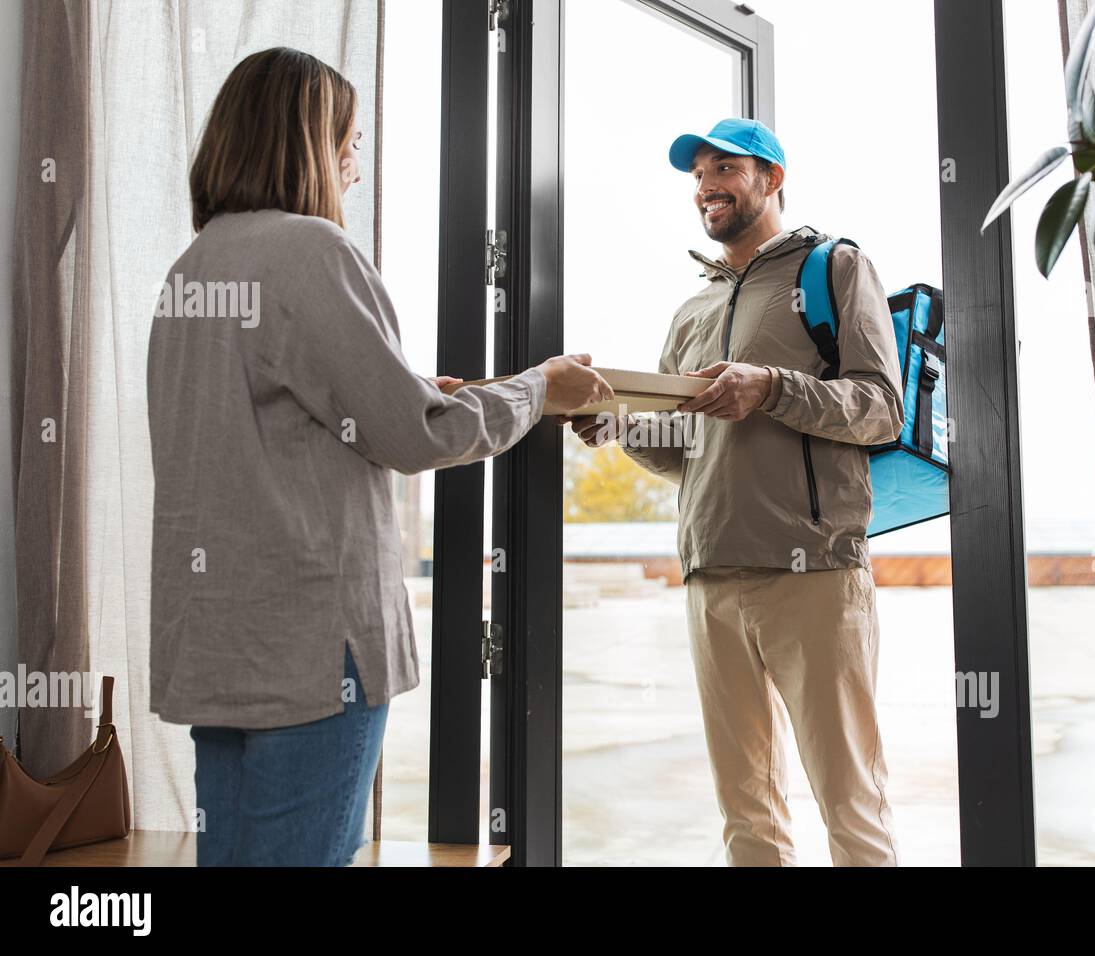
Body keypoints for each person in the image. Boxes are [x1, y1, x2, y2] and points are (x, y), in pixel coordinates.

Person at [147, 47, 611, 866]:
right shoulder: (312, 253)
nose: (354, 170)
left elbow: (260, 420)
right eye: (348, 144)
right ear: (304, 146)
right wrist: (540, 387)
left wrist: (393, 388)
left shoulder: (192, 270)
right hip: (312, 652)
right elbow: (419, 436)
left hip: (217, 645)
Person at [566, 118, 905, 866]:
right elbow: (688, 452)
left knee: (850, 805)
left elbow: (883, 409)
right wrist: (617, 425)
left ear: (771, 179)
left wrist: (771, 388)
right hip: (711, 577)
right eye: (696, 176)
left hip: (813, 575)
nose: (706, 188)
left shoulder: (835, 268)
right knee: (746, 817)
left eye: (724, 169)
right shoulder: (692, 311)